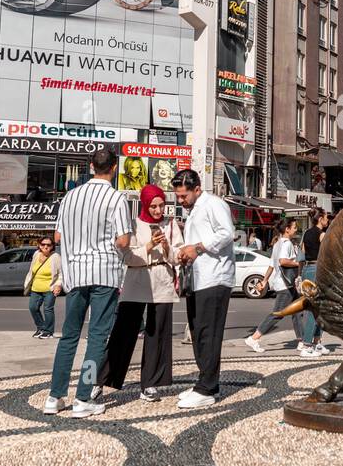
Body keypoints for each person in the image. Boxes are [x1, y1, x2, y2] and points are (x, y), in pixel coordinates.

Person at [45, 147, 133, 419]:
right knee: (97, 336)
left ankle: (55, 396)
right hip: (104, 272)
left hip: (75, 274)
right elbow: (123, 240)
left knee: (69, 336)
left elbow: (57, 237)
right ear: (114, 167)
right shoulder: (116, 198)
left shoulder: (70, 196)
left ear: (91, 167)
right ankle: (83, 396)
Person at [98, 185, 181, 402]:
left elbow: (178, 255)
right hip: (137, 278)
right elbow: (127, 257)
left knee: (157, 334)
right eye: (153, 206)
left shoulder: (170, 224)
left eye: (161, 205)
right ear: (145, 204)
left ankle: (150, 383)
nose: (158, 210)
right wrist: (148, 245)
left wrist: (166, 248)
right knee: (123, 332)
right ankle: (102, 379)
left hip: (162, 279)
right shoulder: (133, 224)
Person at [173, 169, 235, 409]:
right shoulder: (195, 210)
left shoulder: (214, 204)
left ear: (197, 189)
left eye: (183, 196)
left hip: (215, 277)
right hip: (198, 278)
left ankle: (207, 388)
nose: (181, 201)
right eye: (178, 196)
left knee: (208, 333)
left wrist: (197, 248)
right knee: (198, 331)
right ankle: (205, 380)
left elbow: (227, 234)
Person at [243, 220, 302, 353]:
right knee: (277, 314)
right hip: (285, 284)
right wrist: (298, 263)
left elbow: (271, 264)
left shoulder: (277, 244)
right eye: (294, 227)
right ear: (287, 229)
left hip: (285, 284)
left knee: (297, 311)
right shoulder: (286, 244)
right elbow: (282, 261)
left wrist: (264, 280)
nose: (296, 230)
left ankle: (301, 341)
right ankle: (254, 338)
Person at [296, 210, 331, 356]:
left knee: (318, 308)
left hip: (307, 269)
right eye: (326, 218)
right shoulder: (322, 235)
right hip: (317, 269)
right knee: (315, 308)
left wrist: (299, 275)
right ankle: (306, 345)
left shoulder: (306, 234)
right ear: (320, 219)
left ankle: (316, 342)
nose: (328, 220)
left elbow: (301, 255)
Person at [24, 237, 63, 339]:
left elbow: (61, 273)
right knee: (33, 308)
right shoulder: (36, 254)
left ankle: (48, 331)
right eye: (43, 244)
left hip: (49, 288)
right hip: (36, 288)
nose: (45, 246)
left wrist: (58, 285)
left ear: (52, 246)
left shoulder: (55, 257)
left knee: (48, 309)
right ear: (39, 245)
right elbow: (32, 269)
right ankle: (41, 327)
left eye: (49, 245)